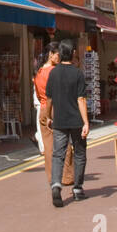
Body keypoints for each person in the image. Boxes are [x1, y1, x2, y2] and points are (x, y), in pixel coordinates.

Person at [45, 41, 90, 207]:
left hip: (59, 121)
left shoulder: (53, 73)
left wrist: (49, 116)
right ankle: (77, 189)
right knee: (79, 153)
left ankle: (56, 184)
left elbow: (49, 99)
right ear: (72, 54)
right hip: (76, 121)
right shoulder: (77, 74)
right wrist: (86, 122)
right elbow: (81, 99)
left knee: (58, 154)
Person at [33, 42, 74, 187]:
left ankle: (53, 178)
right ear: (51, 54)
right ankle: (67, 176)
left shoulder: (38, 72)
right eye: (58, 54)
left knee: (49, 146)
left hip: (43, 110)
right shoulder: (54, 72)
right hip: (56, 108)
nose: (60, 57)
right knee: (65, 142)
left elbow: (38, 95)